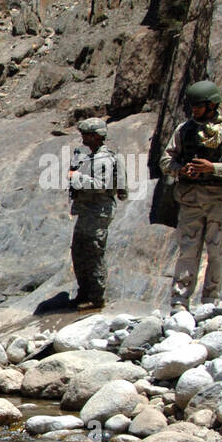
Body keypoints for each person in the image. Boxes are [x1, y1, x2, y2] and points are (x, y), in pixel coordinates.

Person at [159, 80, 222, 311]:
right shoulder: (184, 130)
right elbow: (165, 161)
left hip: (219, 201)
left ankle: (210, 301)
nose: (194, 109)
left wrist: (214, 168)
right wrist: (180, 168)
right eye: (192, 105)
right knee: (188, 252)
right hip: (190, 201)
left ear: (212, 105)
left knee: (217, 252)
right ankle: (180, 301)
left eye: (199, 105)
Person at [67, 118, 127, 310]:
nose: (83, 137)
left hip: (98, 212)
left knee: (93, 254)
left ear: (95, 136)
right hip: (88, 211)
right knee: (79, 251)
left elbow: (102, 185)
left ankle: (97, 297)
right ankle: (84, 292)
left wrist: (77, 177)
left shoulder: (103, 159)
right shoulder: (91, 156)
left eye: (86, 134)